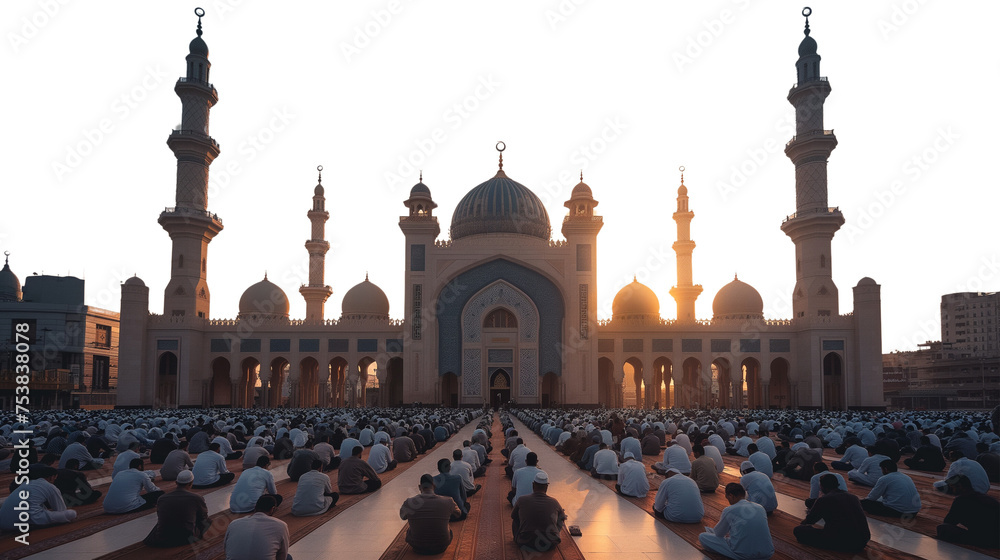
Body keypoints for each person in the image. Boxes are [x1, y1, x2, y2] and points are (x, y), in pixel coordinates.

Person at [794, 473, 871, 553]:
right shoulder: (853, 497)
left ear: (822, 486)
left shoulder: (824, 499)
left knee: (799, 530)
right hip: (863, 540)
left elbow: (810, 520)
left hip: (844, 542)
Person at [698, 483, 774, 560]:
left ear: (731, 496)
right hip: (767, 554)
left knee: (703, 537)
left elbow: (718, 534)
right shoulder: (760, 508)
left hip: (745, 554)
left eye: (727, 497)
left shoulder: (729, 510)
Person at [143, 470, 211, 548]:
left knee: (163, 522)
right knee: (207, 521)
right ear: (190, 483)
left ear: (176, 482)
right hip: (186, 538)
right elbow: (204, 518)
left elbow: (160, 516)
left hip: (163, 538)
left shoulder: (162, 498)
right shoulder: (197, 498)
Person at [400, 473, 463, 554]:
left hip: (417, 545)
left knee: (409, 530)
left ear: (419, 487)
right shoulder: (448, 501)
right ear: (434, 486)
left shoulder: (409, 502)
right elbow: (458, 514)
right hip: (441, 545)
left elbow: (403, 517)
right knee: (448, 527)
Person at [0, 465, 78, 530]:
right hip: (21, 522)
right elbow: (61, 509)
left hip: (3, 522)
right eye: (55, 478)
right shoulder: (51, 487)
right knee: (71, 513)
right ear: (51, 477)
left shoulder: (26, 483)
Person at [936, 474, 1000, 548]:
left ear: (959, 486)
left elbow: (949, 521)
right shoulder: (987, 498)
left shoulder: (961, 500)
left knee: (943, 528)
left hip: (987, 540)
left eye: (951, 487)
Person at [511, 471, 567, 552]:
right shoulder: (554, 502)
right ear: (547, 487)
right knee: (561, 518)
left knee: (515, 519)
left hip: (525, 542)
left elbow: (513, 516)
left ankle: (517, 538)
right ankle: (555, 535)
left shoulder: (522, 499)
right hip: (549, 543)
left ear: (533, 485)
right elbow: (563, 517)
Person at [224, 495, 291, 560]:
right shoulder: (281, 525)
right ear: (272, 509)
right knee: (288, 557)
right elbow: (283, 554)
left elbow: (226, 548)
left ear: (255, 507)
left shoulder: (234, 523)